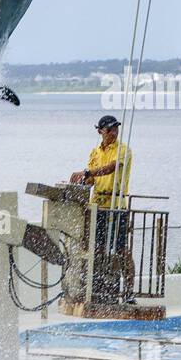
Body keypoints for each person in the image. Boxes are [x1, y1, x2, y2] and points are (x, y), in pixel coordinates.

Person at [69, 115, 135, 302]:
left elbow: (110, 168)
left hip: (116, 207)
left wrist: (87, 173)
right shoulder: (95, 152)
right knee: (97, 248)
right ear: (100, 131)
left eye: (116, 129)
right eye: (109, 129)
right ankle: (97, 288)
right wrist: (80, 181)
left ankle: (129, 291)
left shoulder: (124, 149)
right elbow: (90, 179)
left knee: (121, 249)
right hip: (97, 206)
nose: (113, 132)